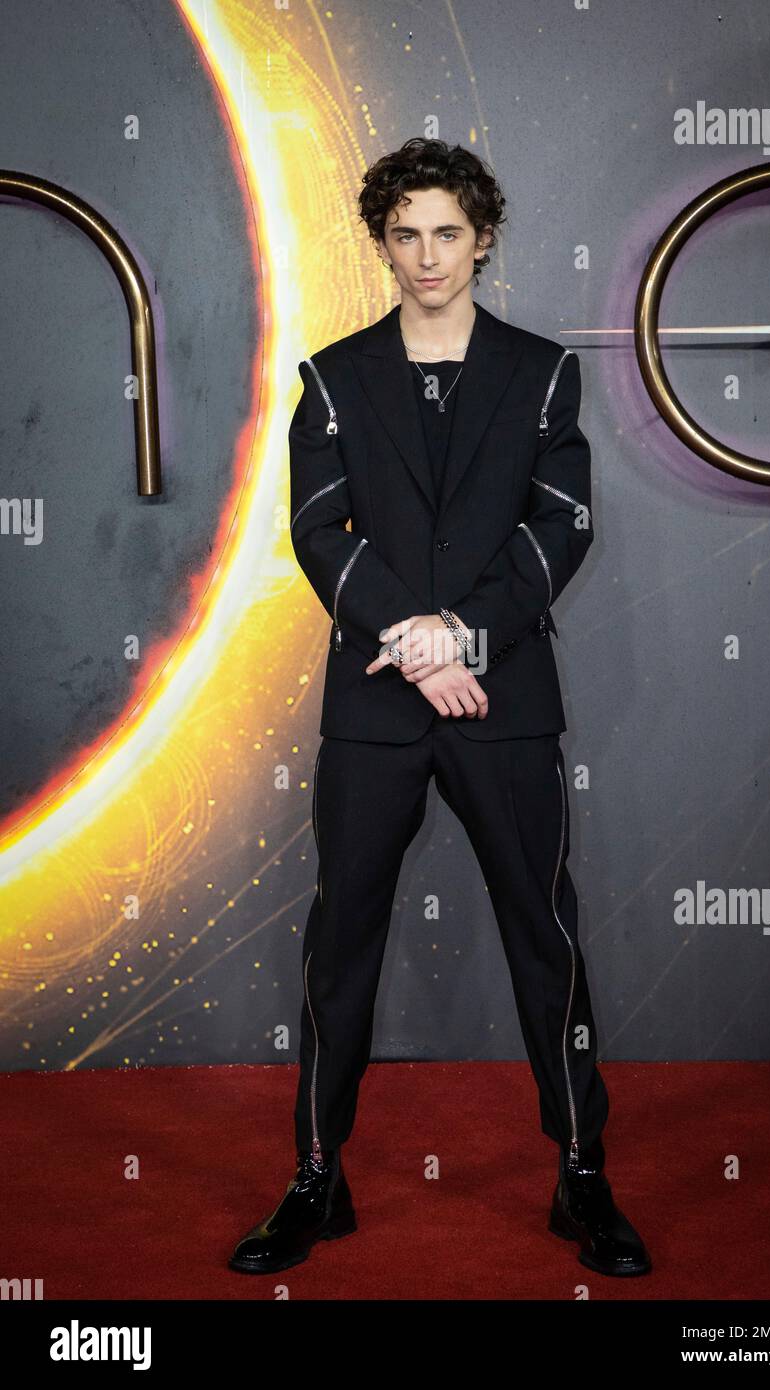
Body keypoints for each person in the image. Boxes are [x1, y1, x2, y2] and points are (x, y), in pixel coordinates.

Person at [229, 137, 651, 1279]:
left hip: (501, 694)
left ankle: (580, 1173)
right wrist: (413, 646)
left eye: (446, 234)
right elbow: (318, 534)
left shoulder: (541, 370)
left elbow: (561, 522)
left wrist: (459, 636)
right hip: (373, 704)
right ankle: (317, 1177)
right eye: (404, 234)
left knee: (542, 939)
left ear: (483, 239)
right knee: (341, 946)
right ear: (381, 242)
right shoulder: (329, 376)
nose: (426, 256)